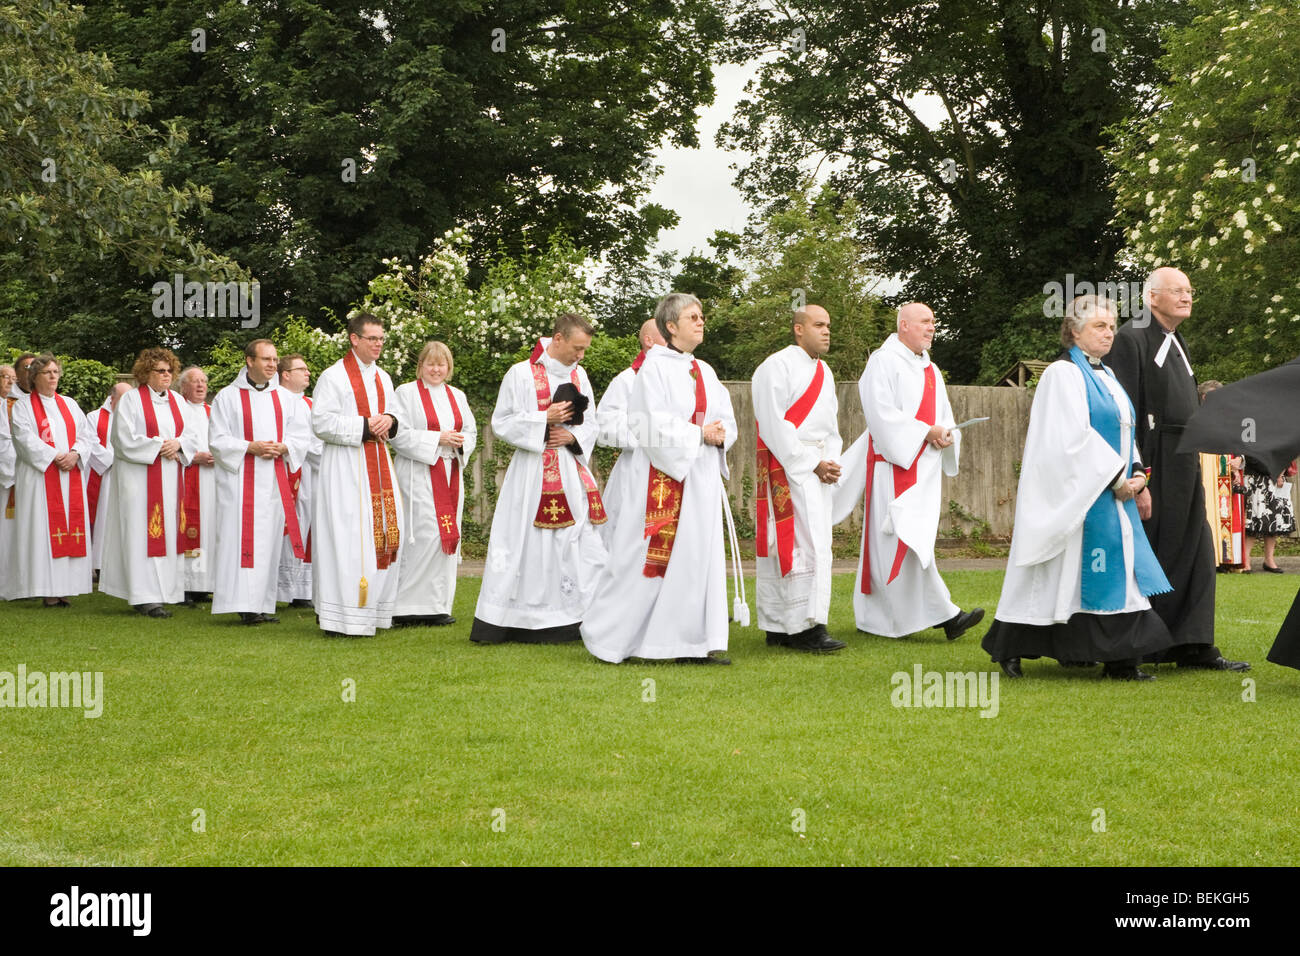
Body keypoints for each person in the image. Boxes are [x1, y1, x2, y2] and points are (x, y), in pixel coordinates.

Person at [981, 296, 1177, 680]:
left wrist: (1138, 474)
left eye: (1111, 326)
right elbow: (1069, 438)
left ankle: (1120, 661)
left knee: (1116, 576)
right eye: (1099, 327)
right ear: (1074, 331)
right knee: (1055, 573)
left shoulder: (1108, 376)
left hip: (1109, 491)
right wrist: (1118, 478)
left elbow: (1125, 431)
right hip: (1076, 496)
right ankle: (1012, 647)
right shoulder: (1061, 374)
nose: (1109, 334)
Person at [581, 293, 738, 663]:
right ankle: (621, 639)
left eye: (702, 316)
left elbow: (726, 420)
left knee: (697, 557)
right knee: (646, 559)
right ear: (671, 326)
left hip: (699, 479)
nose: (701, 322)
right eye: (693, 317)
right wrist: (699, 434)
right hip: (661, 478)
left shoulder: (706, 371)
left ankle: (692, 642)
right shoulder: (651, 370)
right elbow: (649, 423)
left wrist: (720, 434)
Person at [1107, 266, 1249, 670]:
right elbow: (1125, 413)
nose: (1187, 297)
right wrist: (1139, 473)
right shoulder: (1131, 338)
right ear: (1152, 297)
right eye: (1178, 291)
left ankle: (1193, 642)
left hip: (1185, 459)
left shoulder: (1177, 340)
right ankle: (1141, 643)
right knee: (1151, 548)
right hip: (1155, 459)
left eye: (1190, 291)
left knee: (1196, 546)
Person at [848, 303, 984, 640]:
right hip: (892, 467)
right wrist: (925, 432)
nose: (931, 327)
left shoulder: (931, 370)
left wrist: (947, 436)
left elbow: (944, 418)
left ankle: (911, 617)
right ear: (904, 325)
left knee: (915, 539)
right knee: (897, 539)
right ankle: (937, 616)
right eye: (925, 321)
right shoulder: (883, 362)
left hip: (922, 470)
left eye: (934, 322)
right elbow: (880, 414)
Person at [471, 313, 607, 644]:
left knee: (572, 539)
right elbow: (501, 422)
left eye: (585, 350)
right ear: (557, 339)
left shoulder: (580, 375)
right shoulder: (520, 374)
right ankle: (515, 620)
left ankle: (570, 618)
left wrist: (572, 438)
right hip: (530, 473)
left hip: (568, 470)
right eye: (577, 348)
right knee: (522, 539)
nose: (580, 356)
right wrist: (542, 420)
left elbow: (593, 423)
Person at [751, 305, 846, 652]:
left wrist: (830, 460)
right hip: (788, 468)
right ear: (798, 330)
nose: (826, 331)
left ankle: (793, 625)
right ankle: (799, 627)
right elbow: (772, 424)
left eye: (828, 325)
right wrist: (810, 462)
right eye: (818, 325)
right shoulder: (776, 367)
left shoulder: (826, 373)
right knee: (794, 547)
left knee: (815, 545)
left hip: (818, 468)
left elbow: (832, 427)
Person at [311, 313, 406, 637]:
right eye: (372, 338)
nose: (379, 344)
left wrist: (390, 420)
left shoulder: (384, 377)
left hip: (378, 463)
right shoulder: (333, 377)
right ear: (354, 339)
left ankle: (376, 611)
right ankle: (342, 618)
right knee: (348, 536)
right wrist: (365, 425)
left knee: (383, 532)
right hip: (346, 468)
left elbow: (395, 413)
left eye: (381, 338)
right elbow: (321, 423)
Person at [209, 340, 312, 625]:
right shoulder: (228, 398)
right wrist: (249, 446)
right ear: (249, 361)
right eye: (266, 359)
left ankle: (261, 603)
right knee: (239, 539)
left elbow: (301, 435)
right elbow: (217, 440)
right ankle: (242, 602)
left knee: (268, 541)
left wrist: (284, 447)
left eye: (275, 360)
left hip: (274, 480)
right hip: (240, 480)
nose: (271, 365)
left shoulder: (286, 398)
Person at [98, 348, 197, 618]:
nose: (166, 376)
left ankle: (166, 591)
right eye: (160, 371)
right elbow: (122, 439)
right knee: (141, 533)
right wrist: (158, 446)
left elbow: (193, 434)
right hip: (139, 481)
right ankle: (143, 595)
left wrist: (178, 443)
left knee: (168, 534)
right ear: (145, 373)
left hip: (170, 479)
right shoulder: (131, 400)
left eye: (169, 371)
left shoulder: (178, 400)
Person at [391, 341, 477, 626]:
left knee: (447, 535)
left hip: (450, 470)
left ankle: (437, 605)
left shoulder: (457, 395)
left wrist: (460, 442)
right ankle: (405, 606)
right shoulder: (405, 393)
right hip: (418, 474)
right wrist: (436, 438)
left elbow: (471, 430)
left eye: (442, 364)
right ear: (421, 366)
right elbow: (397, 433)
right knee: (423, 533)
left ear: (448, 367)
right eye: (431, 363)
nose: (436, 369)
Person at [7, 353, 95, 606]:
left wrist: (76, 453)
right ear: (35, 377)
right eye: (48, 372)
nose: (54, 376)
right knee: (43, 531)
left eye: (56, 372)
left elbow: (86, 435)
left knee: (70, 529)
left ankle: (66, 586)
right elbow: (23, 439)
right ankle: (45, 587)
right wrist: (56, 456)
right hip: (40, 478)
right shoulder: (23, 406)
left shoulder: (69, 403)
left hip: (70, 477)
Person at [594, 318, 666, 545]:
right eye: (666, 334)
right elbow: (604, 427)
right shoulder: (626, 381)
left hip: (673, 472)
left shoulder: (686, 378)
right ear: (649, 340)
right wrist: (652, 435)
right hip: (635, 471)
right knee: (625, 543)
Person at [276, 353, 321, 608]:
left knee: (310, 528)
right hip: (288, 471)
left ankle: (303, 589)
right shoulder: (276, 400)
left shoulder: (311, 402)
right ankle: (282, 587)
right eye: (301, 369)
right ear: (285, 374)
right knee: (289, 526)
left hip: (312, 473)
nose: (307, 373)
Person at [1196, 381, 1247, 573]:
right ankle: (1209, 557)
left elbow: (1243, 448)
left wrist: (1239, 461)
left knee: (1227, 516)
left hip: (1226, 477)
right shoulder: (1195, 420)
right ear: (1205, 398)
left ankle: (1227, 559)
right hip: (1206, 478)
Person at [178, 366, 216, 605]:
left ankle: (205, 584)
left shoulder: (213, 412)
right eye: (195, 382)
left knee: (210, 530)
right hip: (187, 476)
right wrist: (193, 457)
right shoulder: (177, 410)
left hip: (212, 480)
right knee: (188, 529)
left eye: (203, 381)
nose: (201, 386)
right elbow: (173, 439)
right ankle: (185, 586)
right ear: (183, 387)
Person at [86, 382, 130, 575]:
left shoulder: (133, 417)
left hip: (129, 477)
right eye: (123, 399)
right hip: (105, 477)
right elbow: (91, 446)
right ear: (112, 399)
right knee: (103, 519)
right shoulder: (94, 418)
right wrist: (118, 461)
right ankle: (100, 565)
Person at [1242, 458, 1295, 574]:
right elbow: (1249, 456)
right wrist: (1273, 471)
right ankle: (1245, 559)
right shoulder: (1252, 439)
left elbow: (1285, 452)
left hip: (1276, 481)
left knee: (1273, 521)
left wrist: (1280, 473)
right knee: (1253, 522)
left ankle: (1269, 559)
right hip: (1255, 479)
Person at [0, 367, 19, 598]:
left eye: (13, 379)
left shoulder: (15, 406)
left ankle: (10, 583)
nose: (10, 382)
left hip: (14, 473)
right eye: (6, 378)